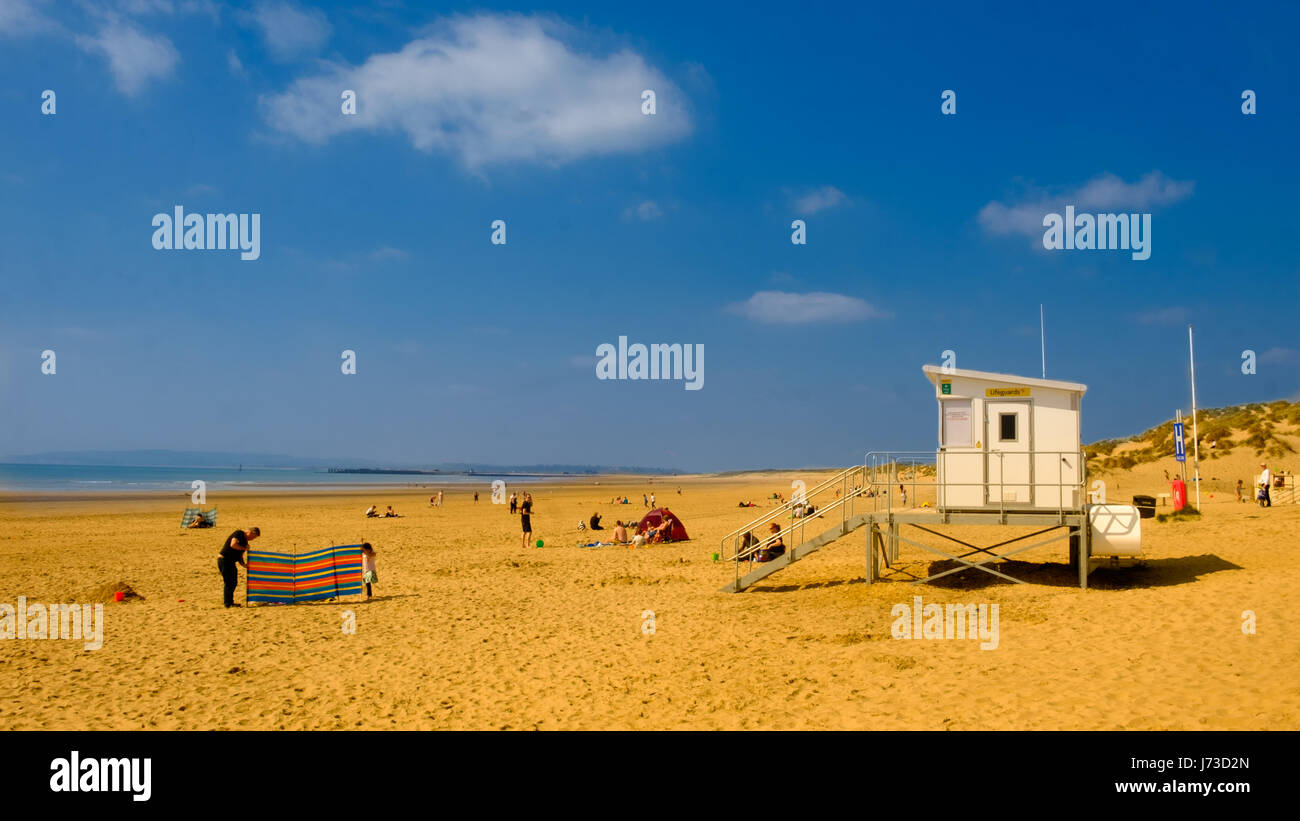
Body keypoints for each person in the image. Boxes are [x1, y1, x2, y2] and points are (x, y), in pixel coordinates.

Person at [218, 526, 259, 608]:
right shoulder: (239, 533)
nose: (252, 539)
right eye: (253, 537)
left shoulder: (245, 541)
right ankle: (228, 603)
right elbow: (233, 545)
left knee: (233, 582)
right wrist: (244, 548)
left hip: (230, 562)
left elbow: (239, 556)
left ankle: (230, 602)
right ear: (250, 533)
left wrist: (244, 565)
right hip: (224, 560)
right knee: (229, 582)